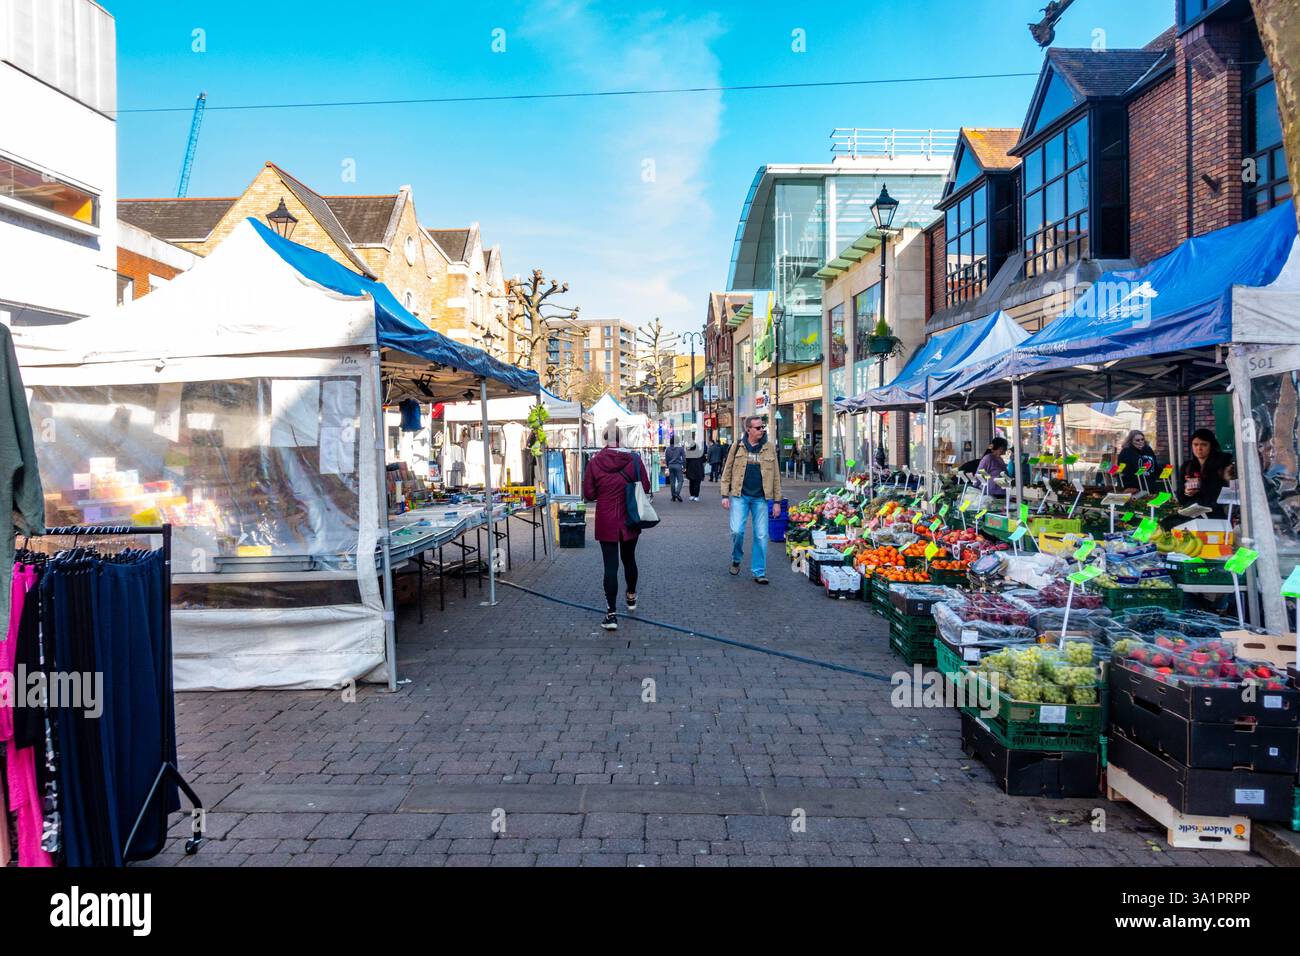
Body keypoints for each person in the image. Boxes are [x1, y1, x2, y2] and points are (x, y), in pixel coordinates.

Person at [582, 421, 652, 631]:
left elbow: (589, 494)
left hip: (606, 519)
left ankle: (611, 614)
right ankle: (631, 596)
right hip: (629, 517)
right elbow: (646, 486)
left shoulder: (594, 462)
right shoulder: (634, 459)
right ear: (621, 438)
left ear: (605, 439)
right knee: (629, 559)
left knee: (610, 567)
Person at [719, 415, 782, 584]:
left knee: (761, 535)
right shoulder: (736, 447)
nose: (762, 430)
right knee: (737, 531)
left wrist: (777, 501)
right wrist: (725, 495)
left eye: (762, 427)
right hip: (740, 496)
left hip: (761, 498)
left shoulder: (769, 448)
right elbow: (727, 471)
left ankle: (759, 571)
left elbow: (776, 476)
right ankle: (736, 558)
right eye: (758, 428)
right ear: (748, 430)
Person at [1178, 428, 1236, 517]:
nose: (1199, 448)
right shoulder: (1187, 467)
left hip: (1218, 515)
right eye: (1195, 444)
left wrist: (1227, 480)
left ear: (1211, 445)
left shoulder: (1224, 462)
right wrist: (1186, 492)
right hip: (1194, 516)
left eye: (1204, 444)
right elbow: (1180, 496)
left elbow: (1233, 491)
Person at [665, 436, 685, 502]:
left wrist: (668, 465)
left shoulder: (667, 449)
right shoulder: (680, 448)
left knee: (672, 481)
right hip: (678, 465)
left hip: (671, 465)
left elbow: (666, 459)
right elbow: (684, 458)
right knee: (680, 480)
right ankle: (677, 493)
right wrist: (684, 466)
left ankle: (673, 496)